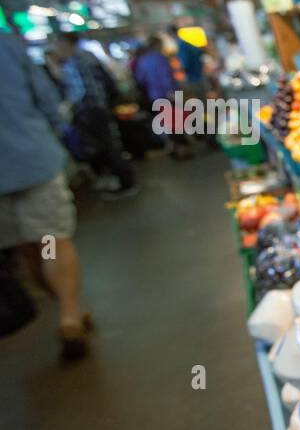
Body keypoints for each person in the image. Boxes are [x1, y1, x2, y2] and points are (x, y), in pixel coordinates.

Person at [0, 28, 95, 361]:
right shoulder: (7, 44)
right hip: (32, 157)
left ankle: (66, 307)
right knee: (51, 239)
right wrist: (59, 133)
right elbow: (47, 99)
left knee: (27, 246)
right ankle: (70, 313)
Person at [47, 33, 137, 197]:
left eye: (58, 44)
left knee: (103, 147)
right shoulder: (86, 57)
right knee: (106, 145)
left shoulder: (77, 60)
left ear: (66, 43)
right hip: (98, 109)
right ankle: (121, 179)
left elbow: (81, 90)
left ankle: (125, 182)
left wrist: (67, 106)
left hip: (91, 111)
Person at [132, 35, 191, 158]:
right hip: (168, 96)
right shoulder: (160, 59)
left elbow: (140, 79)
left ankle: (174, 148)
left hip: (154, 97)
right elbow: (167, 79)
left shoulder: (142, 61)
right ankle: (181, 151)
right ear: (157, 45)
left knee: (168, 125)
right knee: (176, 125)